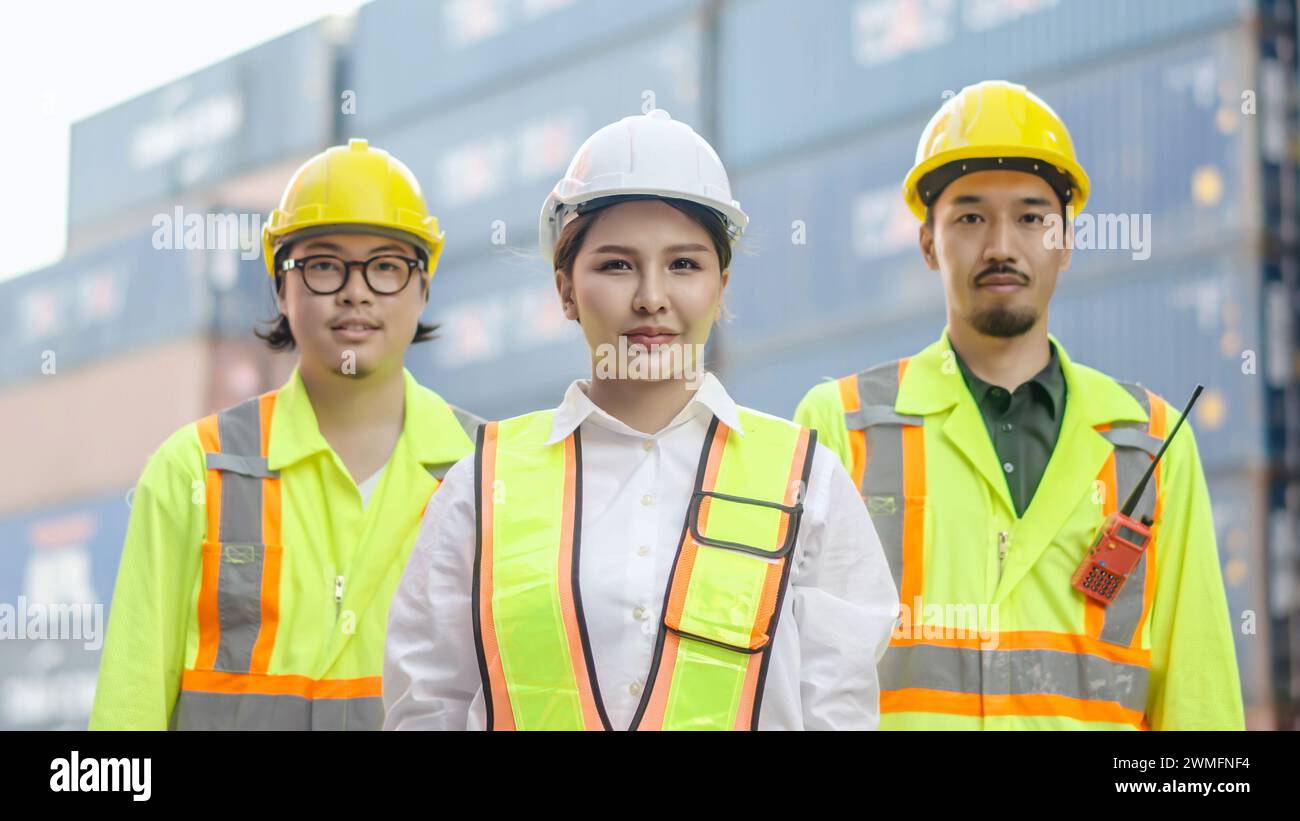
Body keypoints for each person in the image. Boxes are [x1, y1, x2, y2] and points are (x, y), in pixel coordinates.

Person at [383, 110, 898, 730]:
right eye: (616, 265)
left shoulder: (806, 480)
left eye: (684, 265)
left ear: (721, 286)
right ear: (565, 291)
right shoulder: (481, 486)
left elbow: (836, 710)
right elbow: (428, 707)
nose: (652, 295)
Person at [794, 81, 1245, 730]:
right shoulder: (840, 425)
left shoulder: (1150, 441)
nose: (1001, 244)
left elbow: (1200, 701)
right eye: (970, 217)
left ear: (1066, 241)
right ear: (927, 244)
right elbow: (794, 686)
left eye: (1031, 217)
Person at [90, 139, 482, 730]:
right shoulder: (196, 470)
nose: (356, 290)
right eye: (324, 264)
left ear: (422, 286)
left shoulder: (491, 472)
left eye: (387, 266)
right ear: (280, 286)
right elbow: (129, 707)